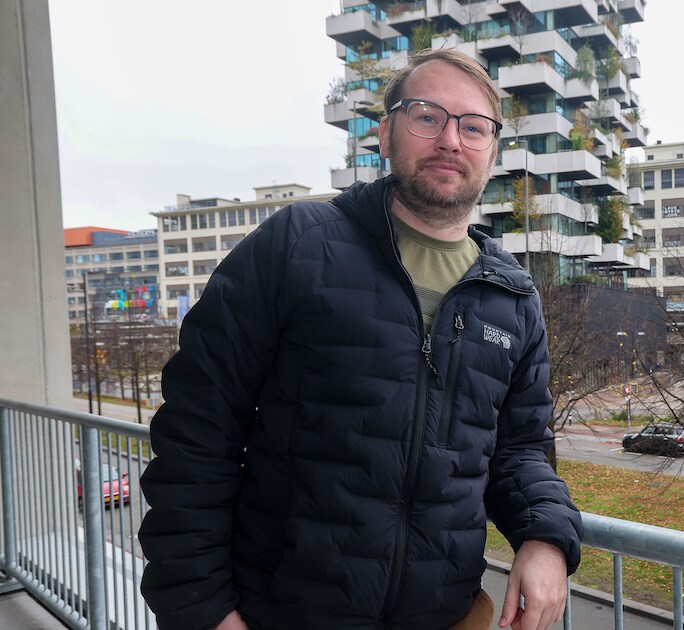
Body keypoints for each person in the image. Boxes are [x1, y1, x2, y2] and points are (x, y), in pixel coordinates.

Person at [138, 49, 581, 630]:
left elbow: (519, 450)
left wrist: (545, 537)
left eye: (473, 127)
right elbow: (196, 433)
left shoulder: (513, 296)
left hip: (443, 615)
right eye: (427, 116)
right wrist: (202, 608)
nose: (451, 139)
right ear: (386, 133)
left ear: (492, 152)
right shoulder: (296, 245)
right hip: (281, 612)